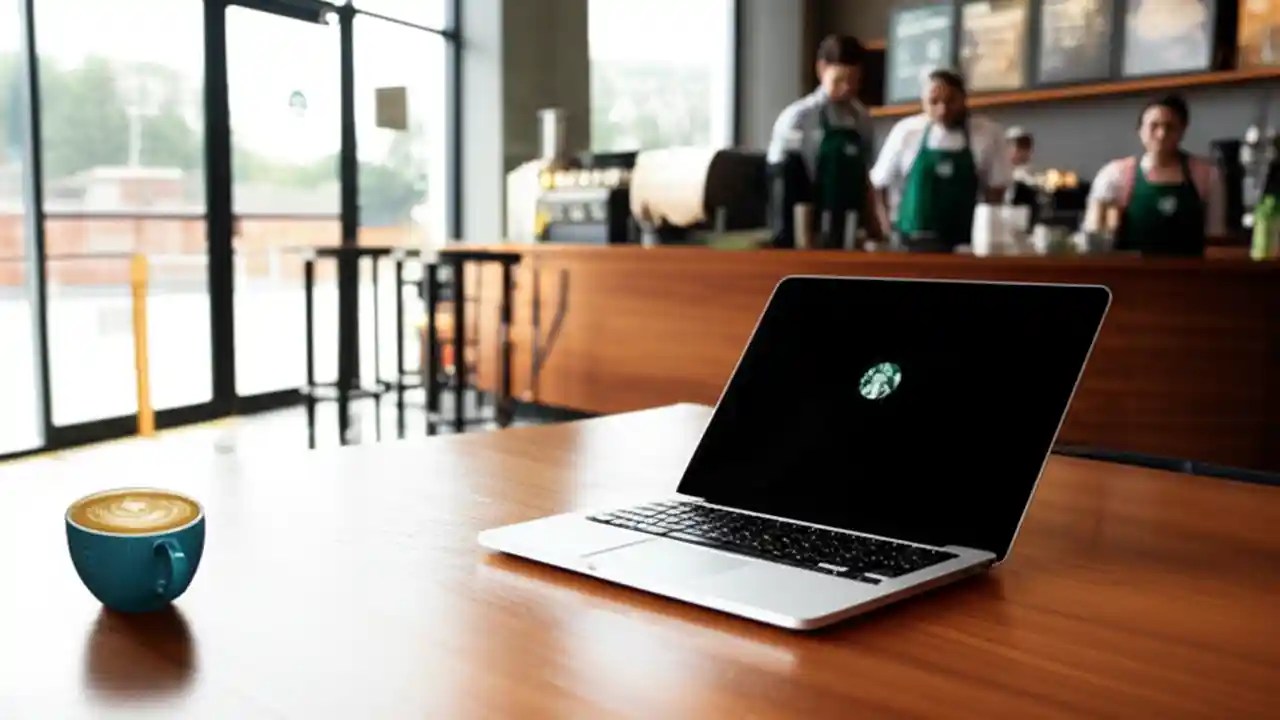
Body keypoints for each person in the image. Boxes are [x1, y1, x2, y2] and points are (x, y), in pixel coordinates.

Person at [870, 69, 1012, 252]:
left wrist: (990, 238)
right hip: (911, 242)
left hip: (965, 243)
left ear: (964, 98)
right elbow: (878, 183)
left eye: (951, 101)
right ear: (923, 102)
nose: (943, 110)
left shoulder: (987, 134)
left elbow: (996, 190)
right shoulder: (906, 132)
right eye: (934, 102)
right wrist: (886, 230)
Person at [767, 34, 882, 248]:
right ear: (821, 69)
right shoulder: (798, 118)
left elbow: (867, 176)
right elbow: (783, 182)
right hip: (809, 227)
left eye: (854, 81)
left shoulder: (862, 119)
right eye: (839, 80)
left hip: (850, 226)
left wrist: (874, 226)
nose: (847, 88)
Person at [1086, 94, 1225, 256]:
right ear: (1140, 131)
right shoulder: (1115, 175)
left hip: (1190, 276)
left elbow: (1216, 238)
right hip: (1132, 275)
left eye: (1170, 127)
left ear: (1182, 131)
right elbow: (1095, 238)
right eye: (1154, 126)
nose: (1161, 134)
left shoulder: (1207, 175)